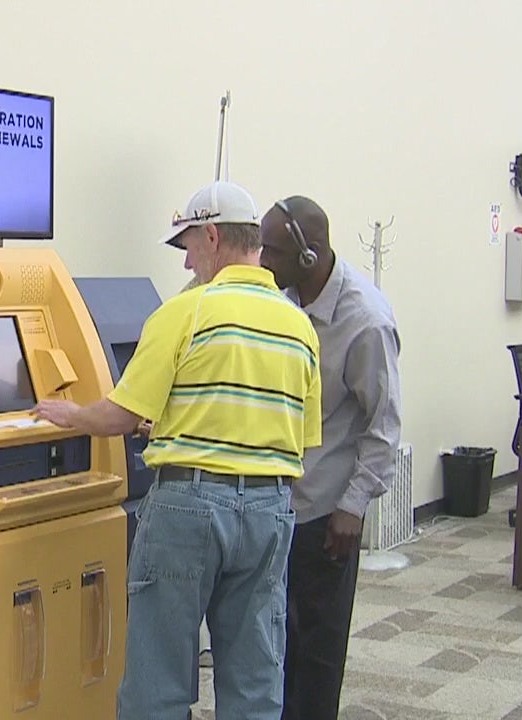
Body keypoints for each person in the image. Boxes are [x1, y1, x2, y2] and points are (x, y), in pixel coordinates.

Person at [34, 180, 322, 720]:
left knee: (157, 681)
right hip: (269, 511)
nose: (188, 261)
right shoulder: (299, 326)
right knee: (255, 680)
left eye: (188, 245)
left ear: (212, 236)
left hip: (187, 510)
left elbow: (118, 414)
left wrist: (70, 414)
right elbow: (295, 438)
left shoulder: (185, 313)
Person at [258, 196, 402, 720]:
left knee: (315, 656)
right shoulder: (283, 299)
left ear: (310, 255)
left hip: (324, 513)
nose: (261, 262)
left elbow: (383, 425)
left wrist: (354, 507)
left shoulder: (365, 322)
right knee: (272, 648)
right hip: (271, 506)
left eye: (269, 252)